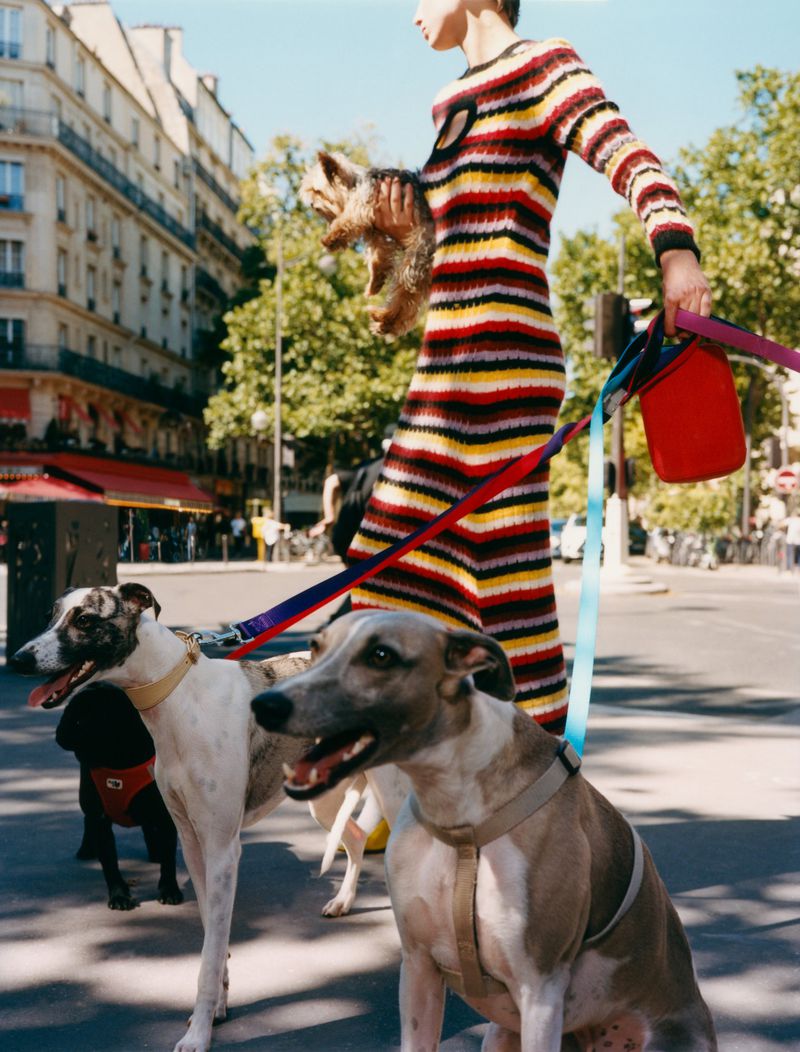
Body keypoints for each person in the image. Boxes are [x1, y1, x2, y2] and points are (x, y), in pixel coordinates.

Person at [347, 0, 712, 734]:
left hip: (505, 358)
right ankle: (467, 754)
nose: (414, 12)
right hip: (449, 357)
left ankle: (532, 760)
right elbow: (455, 248)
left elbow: (628, 153)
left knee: (442, 568)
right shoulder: (452, 101)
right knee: (417, 569)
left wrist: (676, 250)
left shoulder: (544, 65)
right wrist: (405, 231)